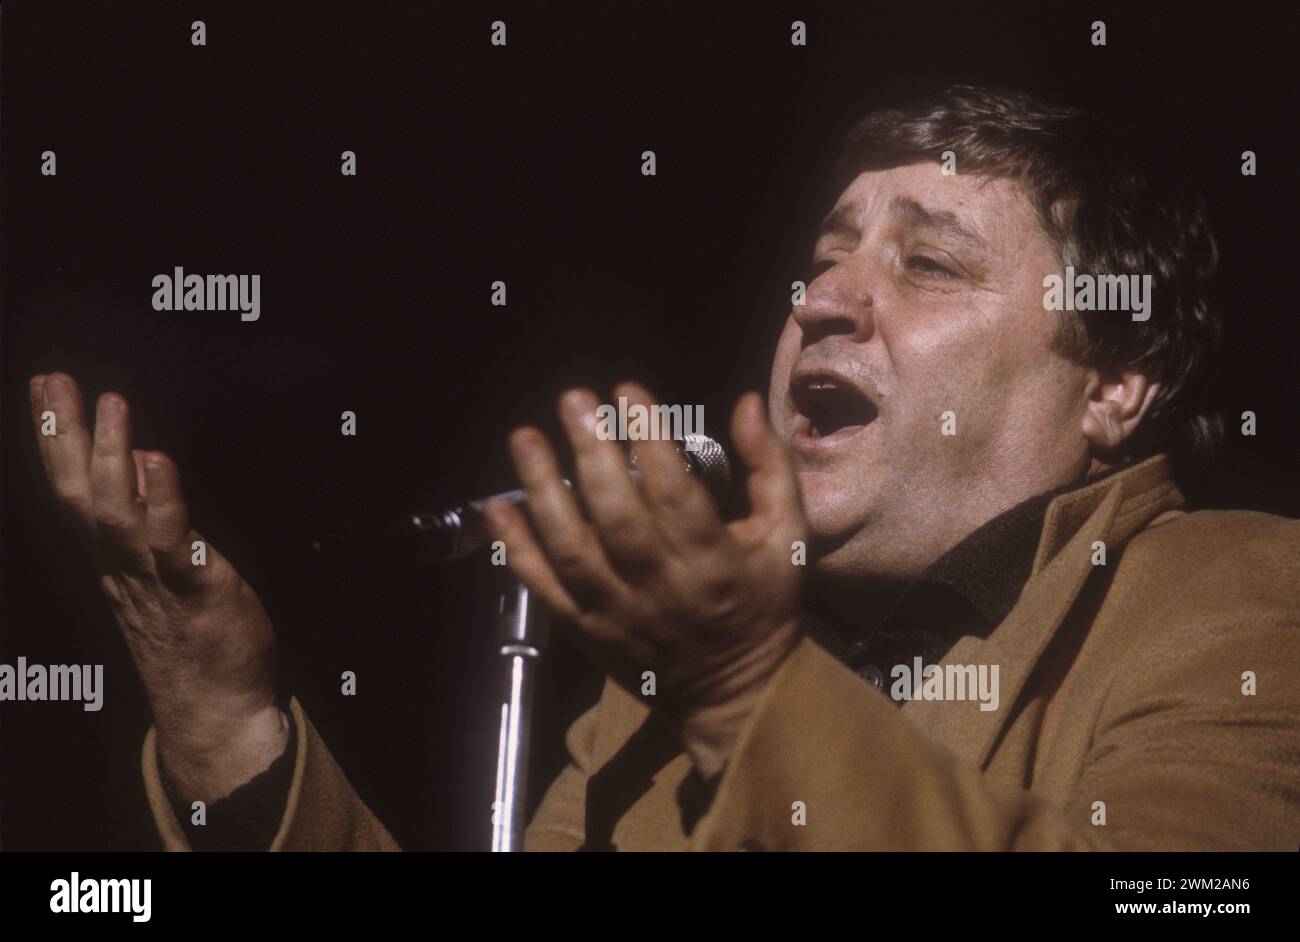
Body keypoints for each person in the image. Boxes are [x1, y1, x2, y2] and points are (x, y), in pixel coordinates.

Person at [28, 86, 1300, 851]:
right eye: (822, 257)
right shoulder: (656, 693)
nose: (823, 299)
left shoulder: (1239, 596)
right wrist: (232, 734)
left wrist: (753, 693)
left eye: (929, 263)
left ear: (1117, 380)